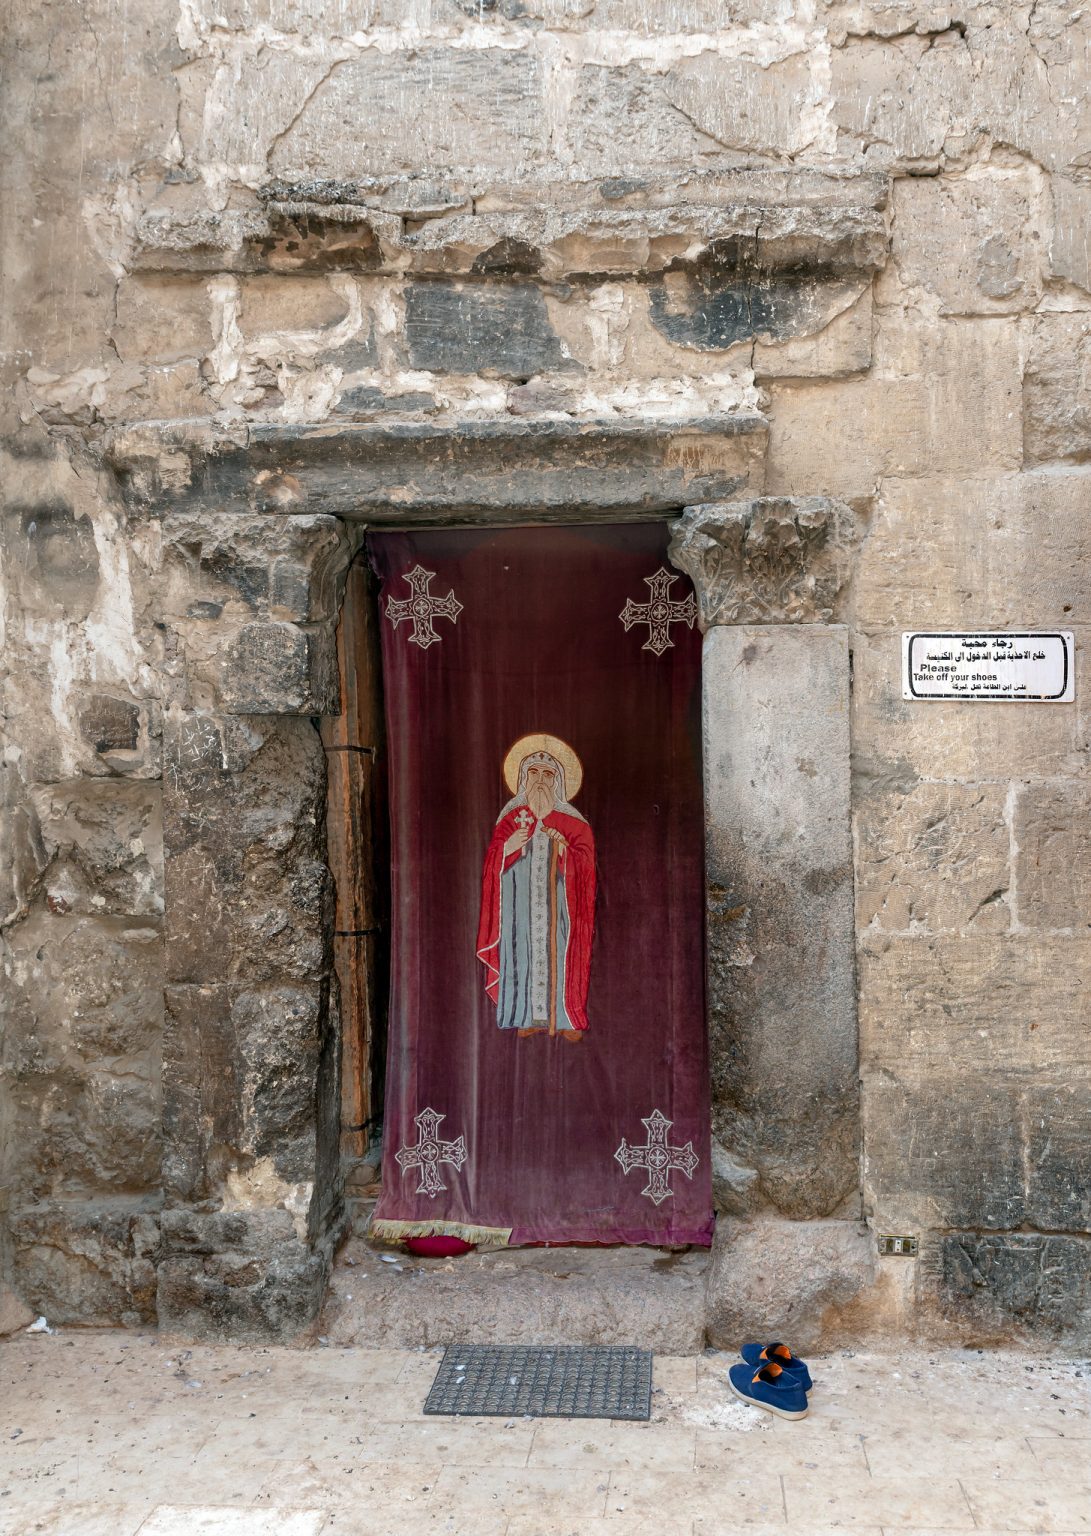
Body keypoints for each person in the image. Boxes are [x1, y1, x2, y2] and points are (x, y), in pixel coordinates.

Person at [476, 733, 596, 1038]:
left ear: (558, 781)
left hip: (561, 912)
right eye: (533, 772)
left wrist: (565, 851)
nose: (540, 780)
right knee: (520, 955)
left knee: (561, 957)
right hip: (519, 910)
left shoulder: (573, 822)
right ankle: (523, 1016)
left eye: (547, 774)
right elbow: (492, 864)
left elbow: (586, 865)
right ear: (523, 778)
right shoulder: (511, 818)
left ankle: (566, 1019)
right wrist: (509, 847)